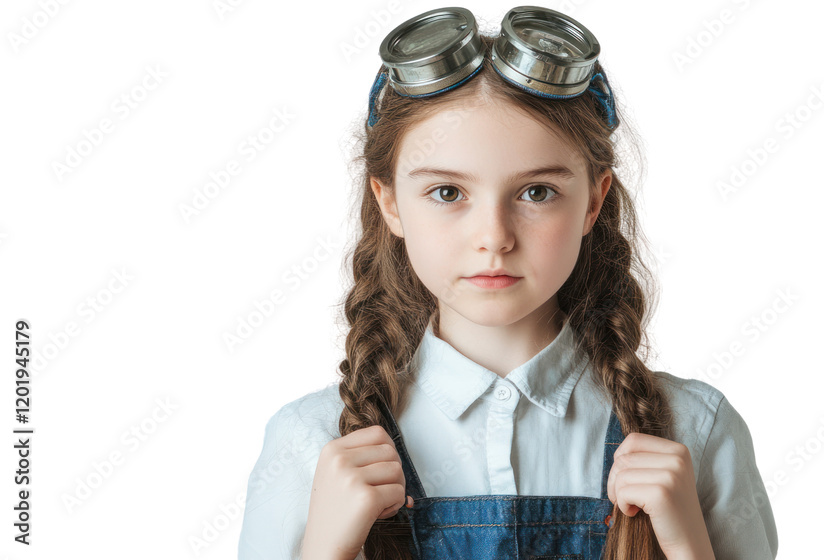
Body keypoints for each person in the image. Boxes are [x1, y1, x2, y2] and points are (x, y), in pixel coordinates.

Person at [238, 6, 777, 560]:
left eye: (536, 192)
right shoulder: (308, 442)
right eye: (448, 192)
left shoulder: (697, 430)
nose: (493, 237)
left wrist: (689, 547)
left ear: (593, 201)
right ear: (390, 202)